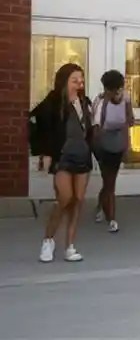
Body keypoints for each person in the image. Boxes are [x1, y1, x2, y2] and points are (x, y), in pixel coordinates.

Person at [29, 63, 94, 263]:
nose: (79, 84)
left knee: (78, 201)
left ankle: (70, 246)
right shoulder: (53, 101)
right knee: (65, 198)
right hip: (63, 157)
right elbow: (35, 123)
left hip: (82, 156)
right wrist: (45, 153)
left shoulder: (84, 101)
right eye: (75, 80)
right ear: (64, 81)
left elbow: (89, 129)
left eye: (81, 80)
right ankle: (48, 241)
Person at [91, 70, 134, 234]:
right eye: (113, 89)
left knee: (110, 182)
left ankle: (101, 206)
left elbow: (129, 122)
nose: (116, 92)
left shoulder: (126, 99)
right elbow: (96, 128)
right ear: (106, 89)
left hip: (117, 142)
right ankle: (112, 218)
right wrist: (97, 148)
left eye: (119, 88)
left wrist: (126, 147)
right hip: (102, 144)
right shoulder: (100, 101)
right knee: (108, 181)